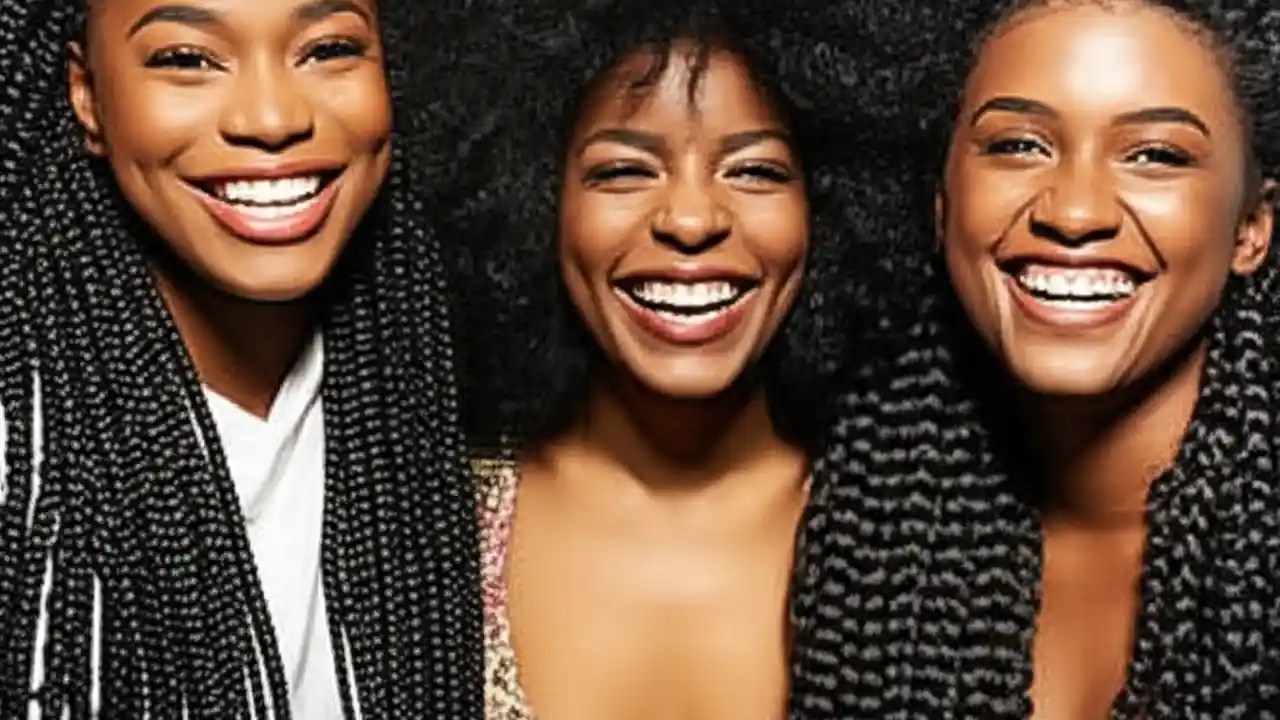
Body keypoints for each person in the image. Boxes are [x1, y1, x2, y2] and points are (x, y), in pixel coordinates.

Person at [790, 1, 1280, 717]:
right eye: (1019, 145)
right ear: (941, 204)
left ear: (1251, 229)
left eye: (1156, 155)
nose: (1075, 212)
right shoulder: (854, 540)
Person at [0, 0, 481, 717]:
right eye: (186, 59)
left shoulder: (421, 400)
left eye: (327, 49)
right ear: (88, 96)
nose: (271, 116)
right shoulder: (22, 452)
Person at [425, 0, 882, 716]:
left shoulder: (921, 526)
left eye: (756, 171)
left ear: (833, 206)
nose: (692, 220)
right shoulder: (427, 519)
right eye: (623, 172)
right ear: (535, 195)